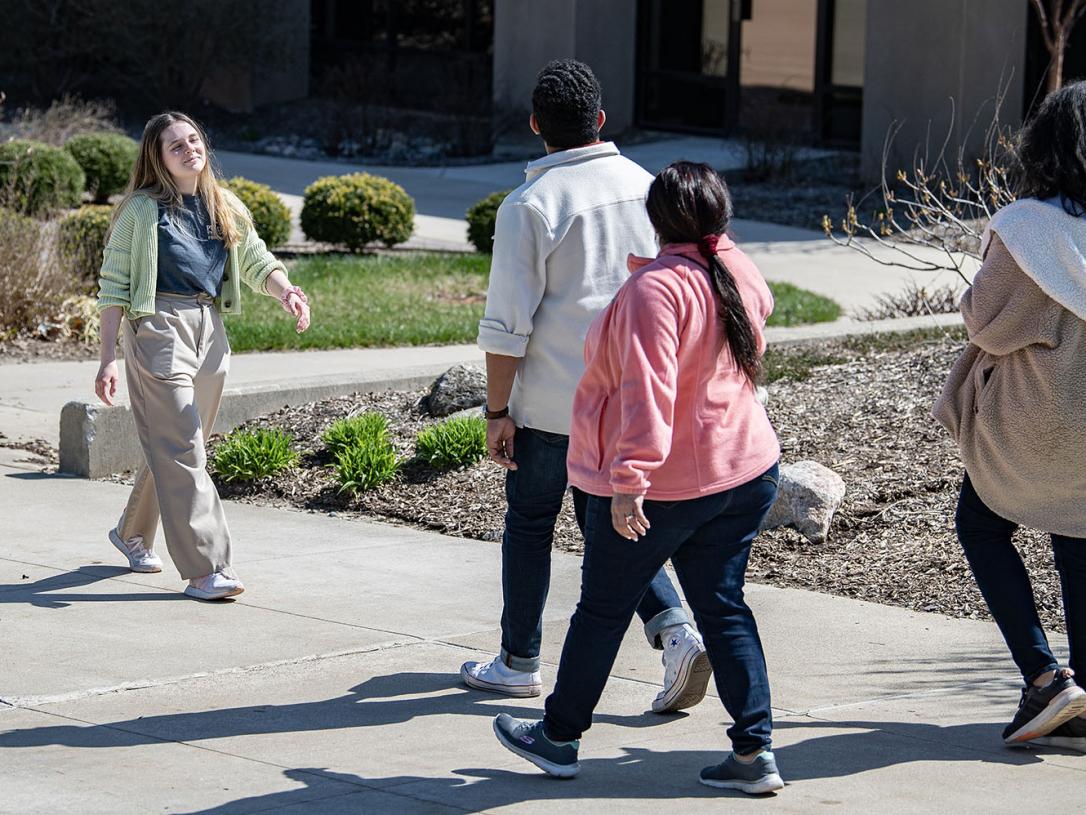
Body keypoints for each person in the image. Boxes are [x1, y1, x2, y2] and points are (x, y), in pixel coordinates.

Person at [493, 161, 785, 794]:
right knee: (723, 606)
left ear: (658, 220)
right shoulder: (734, 266)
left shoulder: (659, 289)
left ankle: (559, 737)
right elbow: (745, 333)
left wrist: (630, 480)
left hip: (672, 483)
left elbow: (648, 391)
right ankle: (754, 753)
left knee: (601, 608)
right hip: (744, 470)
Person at [462, 60, 707, 713]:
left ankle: (518, 660)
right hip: (635, 398)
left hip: (553, 405)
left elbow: (506, 327)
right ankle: (678, 635)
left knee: (531, 522)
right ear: (601, 119)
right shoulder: (652, 189)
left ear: (536, 124)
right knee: (618, 530)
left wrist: (495, 411)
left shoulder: (531, 205)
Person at [94, 112, 311, 600]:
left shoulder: (224, 205)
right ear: (159, 159)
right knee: (183, 447)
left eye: (194, 140)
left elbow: (255, 258)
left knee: (182, 441)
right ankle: (206, 567)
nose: (190, 149)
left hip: (209, 328)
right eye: (176, 146)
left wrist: (286, 293)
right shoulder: (140, 211)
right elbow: (113, 286)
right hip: (157, 326)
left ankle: (131, 532)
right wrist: (108, 357)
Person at [934, 81, 1086, 751]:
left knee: (980, 522)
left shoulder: (1028, 228)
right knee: (1079, 541)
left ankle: (1044, 676)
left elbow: (986, 323)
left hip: (1036, 418)